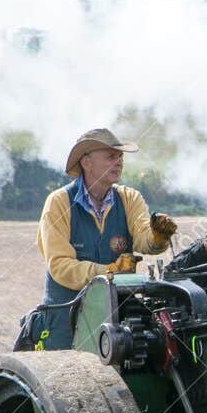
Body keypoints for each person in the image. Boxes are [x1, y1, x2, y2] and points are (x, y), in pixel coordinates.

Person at [37, 128, 178, 304]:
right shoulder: (59, 202)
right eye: (111, 157)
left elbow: (143, 238)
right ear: (86, 162)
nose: (119, 162)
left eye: (120, 157)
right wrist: (109, 271)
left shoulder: (130, 198)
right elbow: (60, 266)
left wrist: (157, 237)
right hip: (65, 310)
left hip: (117, 306)